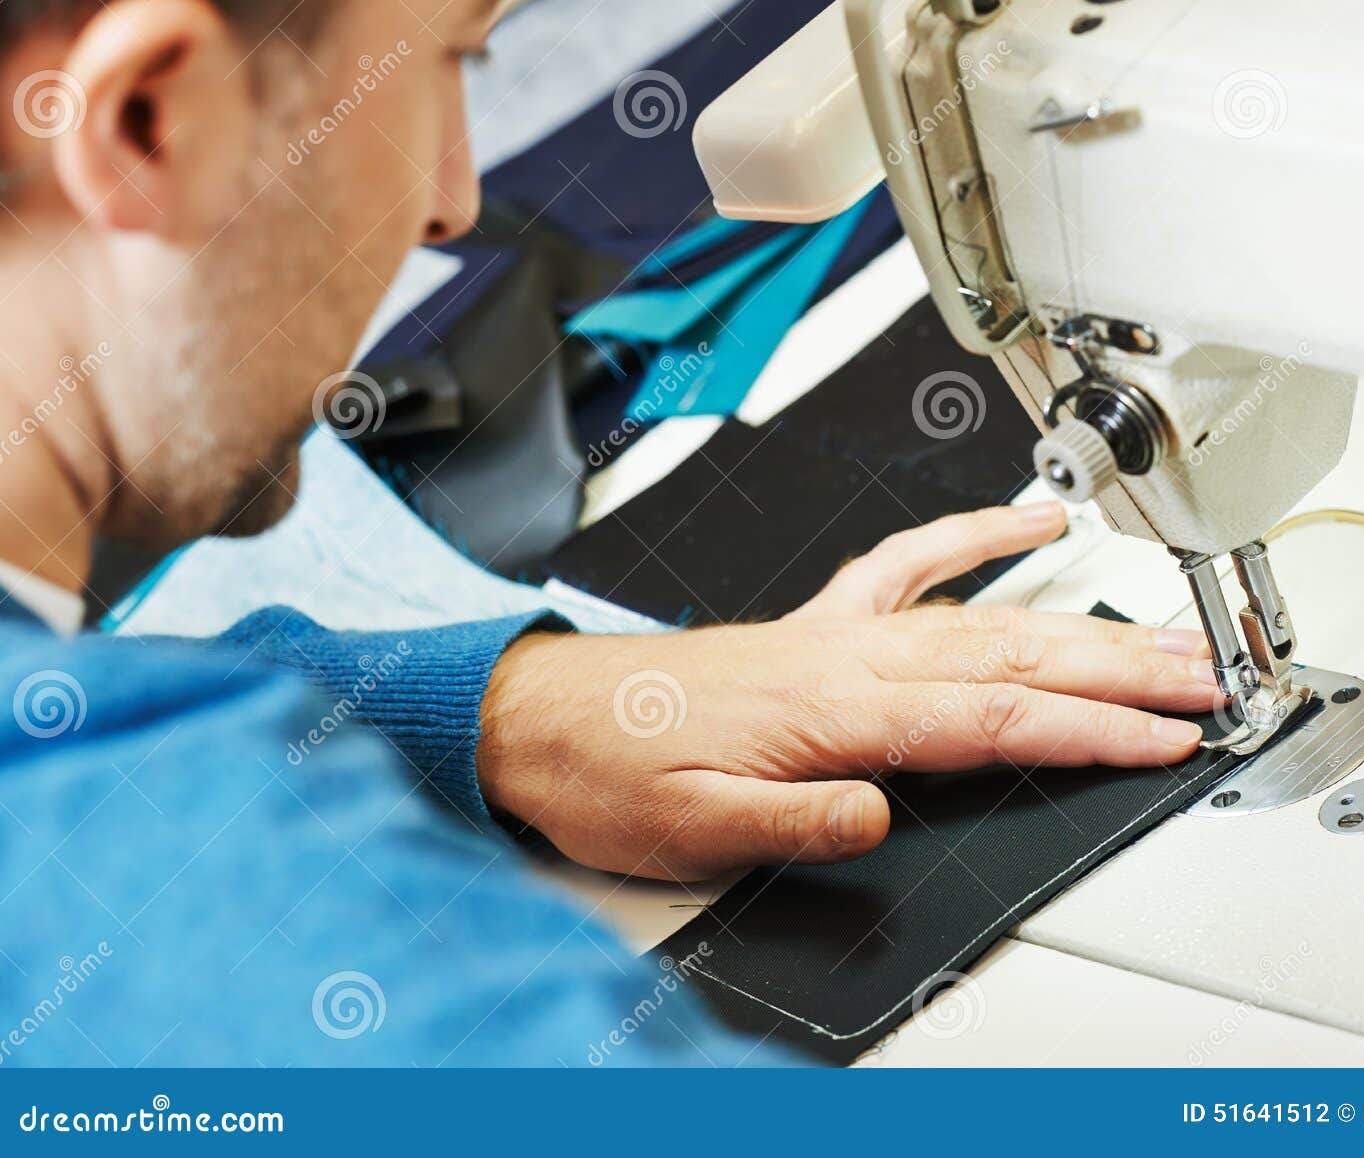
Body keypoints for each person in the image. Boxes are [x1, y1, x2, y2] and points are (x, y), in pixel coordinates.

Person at [0, 0, 1218, 1066]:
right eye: (448, 66)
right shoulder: (146, 906)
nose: (453, 202)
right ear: (149, 120)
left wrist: (488, 705)